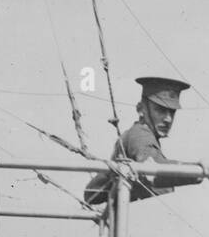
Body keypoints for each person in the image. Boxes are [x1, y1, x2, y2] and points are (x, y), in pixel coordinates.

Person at [83, 76, 199, 206]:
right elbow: (153, 166)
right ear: (141, 109)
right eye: (160, 110)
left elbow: (90, 193)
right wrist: (199, 170)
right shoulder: (140, 135)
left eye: (172, 112)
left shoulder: (136, 134)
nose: (168, 119)